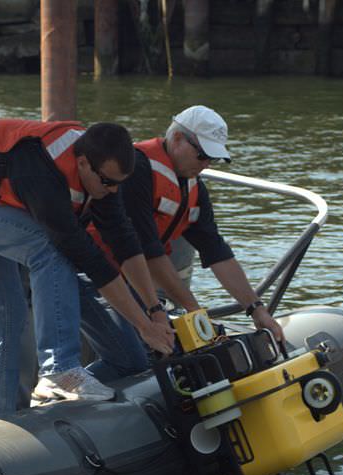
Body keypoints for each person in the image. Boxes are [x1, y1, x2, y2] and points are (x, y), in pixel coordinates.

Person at [0, 119, 173, 418]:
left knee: (6, 316)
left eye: (119, 184)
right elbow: (90, 260)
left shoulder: (102, 176)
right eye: (108, 183)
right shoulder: (41, 169)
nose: (113, 191)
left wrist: (155, 311)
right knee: (51, 249)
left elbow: (124, 241)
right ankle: (60, 369)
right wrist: (143, 327)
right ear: (83, 164)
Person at [82, 105, 284, 381]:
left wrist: (256, 309)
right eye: (202, 155)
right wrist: (193, 310)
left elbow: (215, 249)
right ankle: (66, 399)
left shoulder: (193, 186)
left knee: (165, 349)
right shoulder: (138, 170)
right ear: (177, 139)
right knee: (133, 359)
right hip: (94, 277)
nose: (206, 165)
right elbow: (147, 249)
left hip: (132, 283)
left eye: (212, 159)